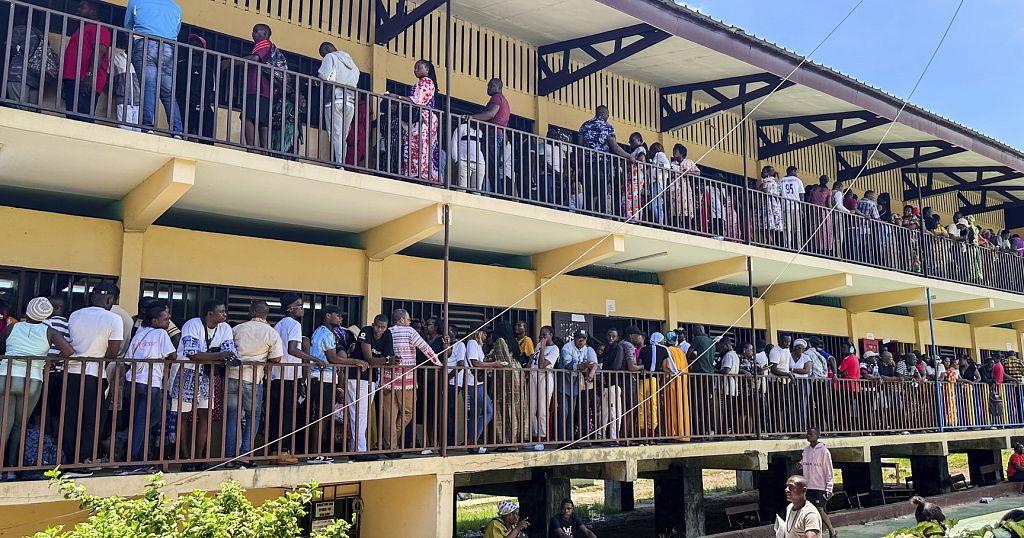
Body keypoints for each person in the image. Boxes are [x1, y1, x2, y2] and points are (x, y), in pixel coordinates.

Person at [0, 298, 73, 472]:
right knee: (20, 424)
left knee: (4, 424)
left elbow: (1, 345)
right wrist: (49, 361)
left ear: (27, 311)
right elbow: (68, 351)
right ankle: (11, 468)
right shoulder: (50, 332)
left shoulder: (12, 327)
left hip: (6, 376)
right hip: (32, 379)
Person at [62, 283, 123, 473]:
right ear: (110, 299)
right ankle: (82, 461)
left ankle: (66, 459)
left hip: (70, 372)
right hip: (94, 374)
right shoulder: (114, 318)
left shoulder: (75, 315)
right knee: (91, 419)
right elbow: (113, 351)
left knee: (70, 417)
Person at [169, 298, 235, 471]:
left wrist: (219, 355)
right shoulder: (192, 325)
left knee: (205, 415)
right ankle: (184, 458)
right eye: (221, 311)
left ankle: (198, 457)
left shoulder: (225, 328)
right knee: (182, 416)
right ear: (210, 314)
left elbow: (231, 352)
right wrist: (219, 355)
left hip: (207, 374)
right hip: (186, 372)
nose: (225, 315)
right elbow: (192, 354)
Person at [225, 301, 281, 467]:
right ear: (266, 314)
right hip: (253, 379)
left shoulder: (237, 329)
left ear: (252, 312)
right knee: (252, 417)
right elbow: (276, 359)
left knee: (233, 416)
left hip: (233, 376)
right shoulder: (271, 332)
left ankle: (229, 457)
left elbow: (227, 349)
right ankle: (245, 455)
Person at [271, 293, 326, 464]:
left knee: (276, 414)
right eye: (299, 305)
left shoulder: (278, 325)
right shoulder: (294, 324)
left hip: (276, 375)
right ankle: (284, 451)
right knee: (288, 414)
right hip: (289, 375)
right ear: (290, 308)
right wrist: (315, 359)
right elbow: (293, 349)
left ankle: (274, 452)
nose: (302, 308)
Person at [308, 305, 366, 461]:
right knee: (323, 416)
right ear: (328, 316)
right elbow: (333, 359)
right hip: (323, 378)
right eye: (338, 315)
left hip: (321, 377)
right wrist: (356, 361)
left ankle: (317, 453)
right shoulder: (326, 333)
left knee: (323, 415)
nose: (341, 318)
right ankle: (315, 454)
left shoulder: (321, 331)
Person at [380, 309, 441, 455]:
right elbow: (425, 347)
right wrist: (437, 362)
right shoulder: (410, 331)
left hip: (387, 379)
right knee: (408, 412)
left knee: (390, 415)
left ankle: (390, 446)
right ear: (401, 320)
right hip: (405, 381)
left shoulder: (388, 332)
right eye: (407, 319)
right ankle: (392, 442)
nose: (409, 322)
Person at [124, 0, 183, 134]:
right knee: (168, 92)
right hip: (168, 48)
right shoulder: (176, 8)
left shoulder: (136, 2)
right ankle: (177, 131)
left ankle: (148, 126)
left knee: (148, 86)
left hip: (144, 44)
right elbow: (176, 31)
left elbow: (127, 27)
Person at [349, 314, 391, 460]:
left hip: (372, 379)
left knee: (363, 415)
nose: (379, 330)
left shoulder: (388, 334)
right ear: (373, 324)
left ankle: (356, 450)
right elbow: (369, 358)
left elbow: (390, 358)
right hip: (357, 377)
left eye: (383, 327)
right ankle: (359, 451)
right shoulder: (365, 331)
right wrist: (385, 360)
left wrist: (388, 360)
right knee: (358, 414)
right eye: (377, 326)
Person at [579, 105, 634, 215]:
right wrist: (629, 156)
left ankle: (588, 213)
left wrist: (580, 165)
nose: (608, 117)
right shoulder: (607, 127)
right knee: (602, 190)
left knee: (588, 190)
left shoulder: (585, 125)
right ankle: (603, 214)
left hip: (588, 163)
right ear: (603, 114)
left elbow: (579, 147)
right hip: (602, 163)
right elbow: (614, 147)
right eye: (608, 115)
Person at [61, 1, 111, 122]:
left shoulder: (100, 28)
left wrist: (90, 76)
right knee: (72, 119)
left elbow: (100, 51)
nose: (78, 9)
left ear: (93, 12)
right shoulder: (83, 28)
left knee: (82, 120)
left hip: (85, 81)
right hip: (74, 80)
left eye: (82, 7)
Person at [236, 23, 279, 149]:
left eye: (256, 31)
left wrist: (230, 62)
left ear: (265, 33)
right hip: (266, 91)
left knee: (247, 117)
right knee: (263, 122)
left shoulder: (264, 45)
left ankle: (251, 148)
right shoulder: (270, 48)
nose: (252, 34)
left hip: (257, 88)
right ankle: (265, 152)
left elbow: (255, 59)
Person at [318, 41, 360, 167]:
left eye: (322, 54)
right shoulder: (353, 65)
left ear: (326, 49)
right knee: (343, 135)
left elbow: (324, 76)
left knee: (336, 133)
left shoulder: (330, 57)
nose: (323, 56)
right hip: (350, 103)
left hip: (335, 100)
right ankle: (341, 162)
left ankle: (339, 163)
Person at [489, 320, 529, 447]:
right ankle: (518, 438)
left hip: (507, 376)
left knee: (506, 407)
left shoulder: (500, 341)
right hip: (517, 373)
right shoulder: (512, 341)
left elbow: (503, 360)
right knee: (517, 407)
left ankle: (507, 440)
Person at [400, 59, 440, 183]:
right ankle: (417, 175)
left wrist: (398, 97)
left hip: (424, 120)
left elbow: (418, 100)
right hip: (421, 119)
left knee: (421, 147)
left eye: (419, 67)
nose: (416, 69)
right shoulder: (420, 82)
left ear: (427, 69)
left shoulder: (427, 81)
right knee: (417, 147)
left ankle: (420, 176)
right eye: (415, 68)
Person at [469, 78, 511, 194]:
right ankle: (496, 191)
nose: (488, 88)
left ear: (498, 87)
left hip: (493, 135)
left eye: (490, 86)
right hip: (501, 135)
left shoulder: (497, 98)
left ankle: (496, 192)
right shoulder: (505, 101)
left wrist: (472, 117)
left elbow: (491, 114)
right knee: (495, 166)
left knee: (492, 166)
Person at [600, 328, 641, 442]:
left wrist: (605, 370)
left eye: (613, 336)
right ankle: (604, 435)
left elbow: (616, 366)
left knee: (615, 412)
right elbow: (613, 367)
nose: (611, 338)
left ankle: (614, 437)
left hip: (615, 383)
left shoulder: (618, 347)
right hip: (609, 383)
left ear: (617, 338)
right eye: (609, 336)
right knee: (606, 412)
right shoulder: (607, 349)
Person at [557, 330, 598, 443]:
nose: (581, 340)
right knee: (564, 412)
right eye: (579, 338)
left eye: (583, 339)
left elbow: (590, 363)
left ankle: (569, 440)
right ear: (574, 338)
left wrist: (589, 368)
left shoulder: (585, 349)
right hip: (564, 381)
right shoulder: (567, 347)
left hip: (575, 382)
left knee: (571, 412)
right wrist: (583, 365)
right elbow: (567, 364)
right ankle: (562, 440)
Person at [176, 34, 218, 142]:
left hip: (203, 108)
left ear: (203, 50)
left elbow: (212, 94)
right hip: (183, 106)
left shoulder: (208, 71)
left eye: (196, 45)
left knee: (207, 138)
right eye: (191, 44)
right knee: (182, 138)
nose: (193, 47)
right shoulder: (180, 66)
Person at [799, 428, 836, 538]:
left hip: (820, 486)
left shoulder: (824, 451)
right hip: (809, 486)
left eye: (811, 434)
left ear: (817, 435)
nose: (808, 435)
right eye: (808, 434)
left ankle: (832, 531)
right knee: (809, 510)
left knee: (820, 510)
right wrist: (801, 464)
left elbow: (829, 470)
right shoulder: (806, 450)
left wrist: (829, 488)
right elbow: (806, 462)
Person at [527, 326, 558, 450]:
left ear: (551, 334)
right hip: (533, 376)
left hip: (544, 377)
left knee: (542, 408)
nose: (542, 337)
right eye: (540, 335)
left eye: (544, 335)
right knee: (531, 407)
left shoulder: (555, 349)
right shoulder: (538, 346)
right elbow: (534, 362)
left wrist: (543, 347)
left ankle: (542, 437)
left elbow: (541, 365)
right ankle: (533, 437)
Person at [111, 49, 142, 130]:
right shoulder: (117, 58)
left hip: (138, 102)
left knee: (137, 133)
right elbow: (109, 78)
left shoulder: (140, 61)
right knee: (125, 131)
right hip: (123, 100)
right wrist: (117, 90)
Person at [451, 121, 486, 190]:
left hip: (480, 164)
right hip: (464, 162)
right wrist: (456, 160)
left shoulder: (480, 131)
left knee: (476, 191)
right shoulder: (462, 127)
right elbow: (454, 143)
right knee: (462, 188)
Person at [759, 166, 785, 246]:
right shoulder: (776, 182)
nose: (761, 173)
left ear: (767, 173)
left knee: (766, 224)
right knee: (772, 224)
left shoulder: (767, 181)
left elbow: (767, 190)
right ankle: (771, 241)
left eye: (763, 171)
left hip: (768, 204)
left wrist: (760, 189)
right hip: (775, 205)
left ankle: (769, 241)